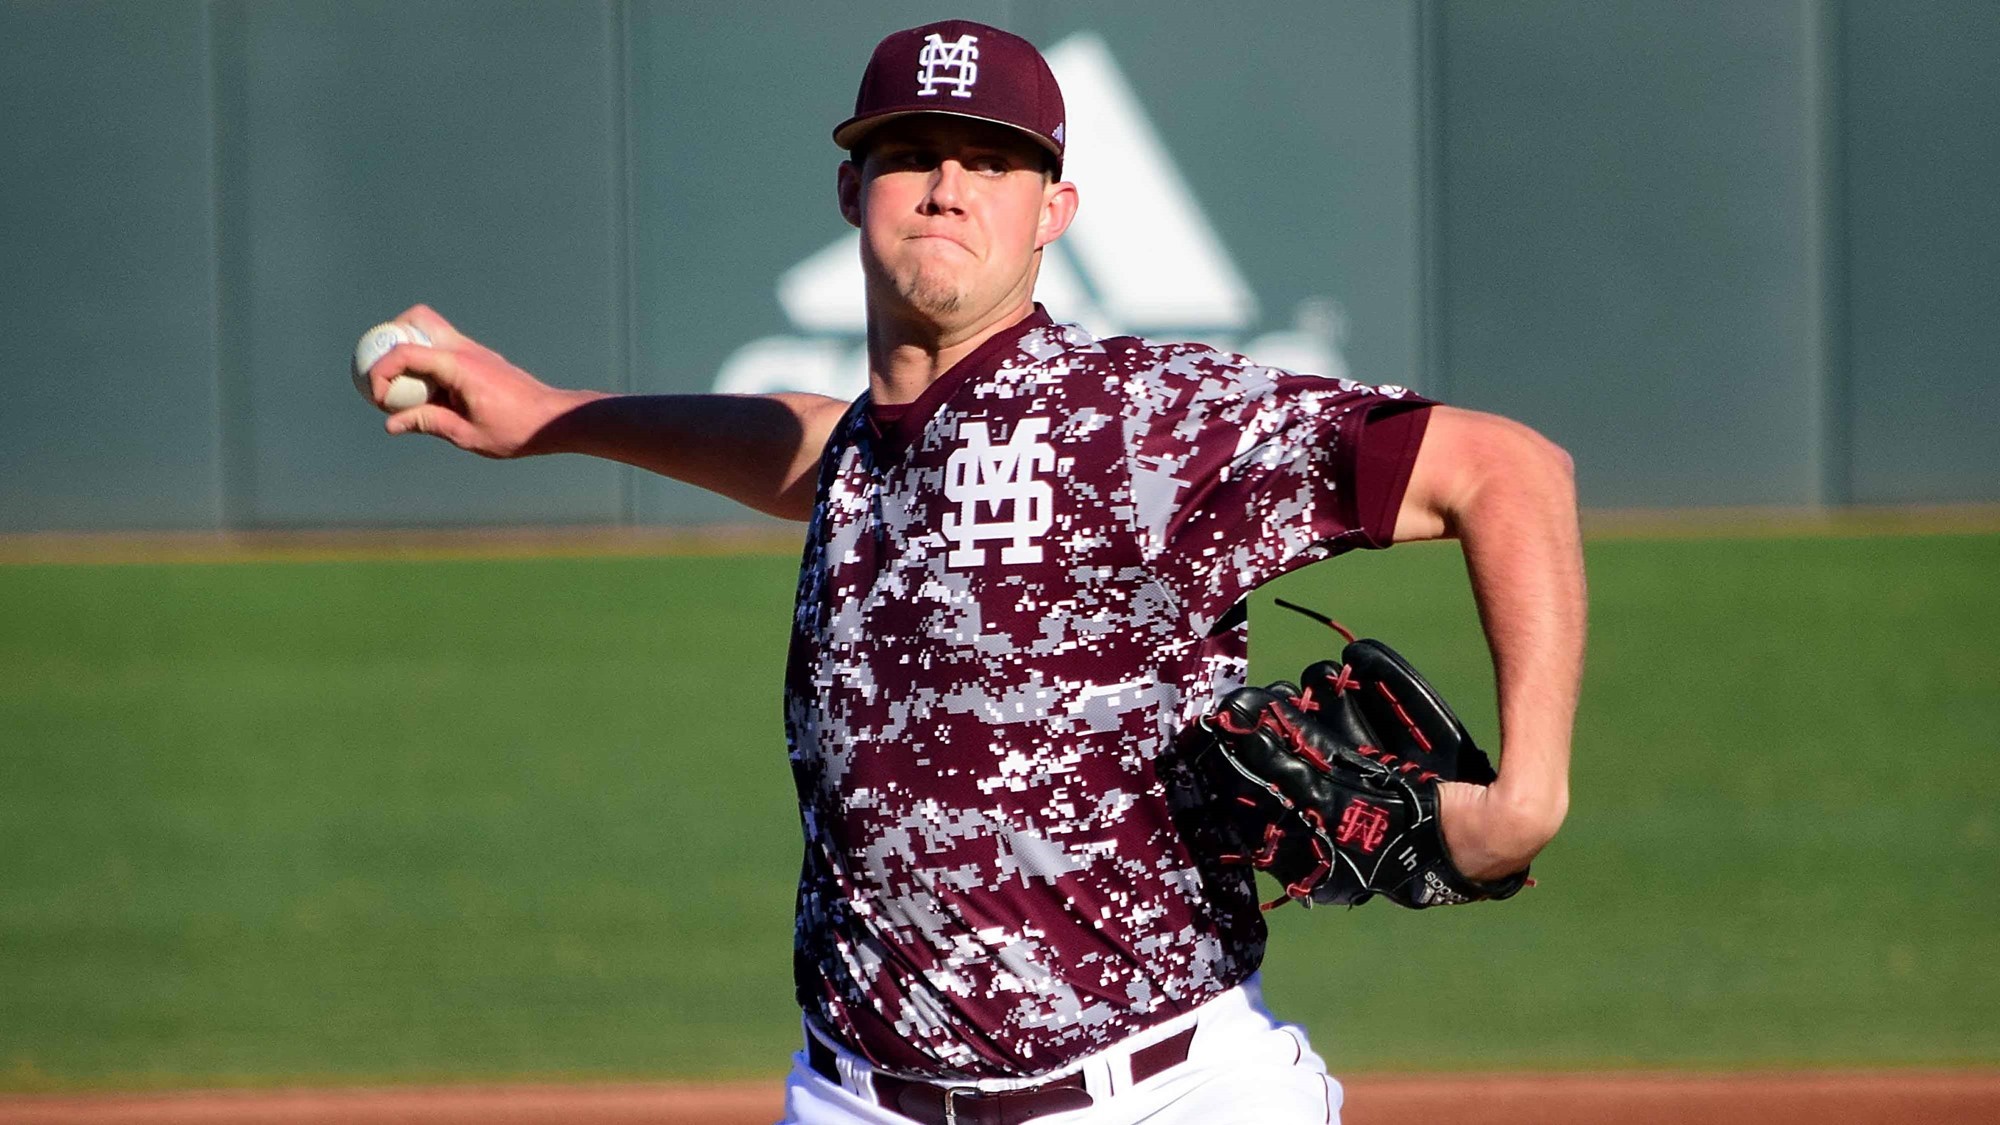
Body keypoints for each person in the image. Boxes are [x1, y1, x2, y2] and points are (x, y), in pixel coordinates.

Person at [363, 19, 1585, 1125]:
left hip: (1150, 1097)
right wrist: (555, 414)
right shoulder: (868, 453)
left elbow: (1507, 471)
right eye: (911, 154)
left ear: (1051, 209)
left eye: (990, 162)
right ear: (852, 190)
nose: (946, 188)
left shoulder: (1136, 424)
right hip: (854, 1097)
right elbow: (812, 449)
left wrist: (1521, 801)